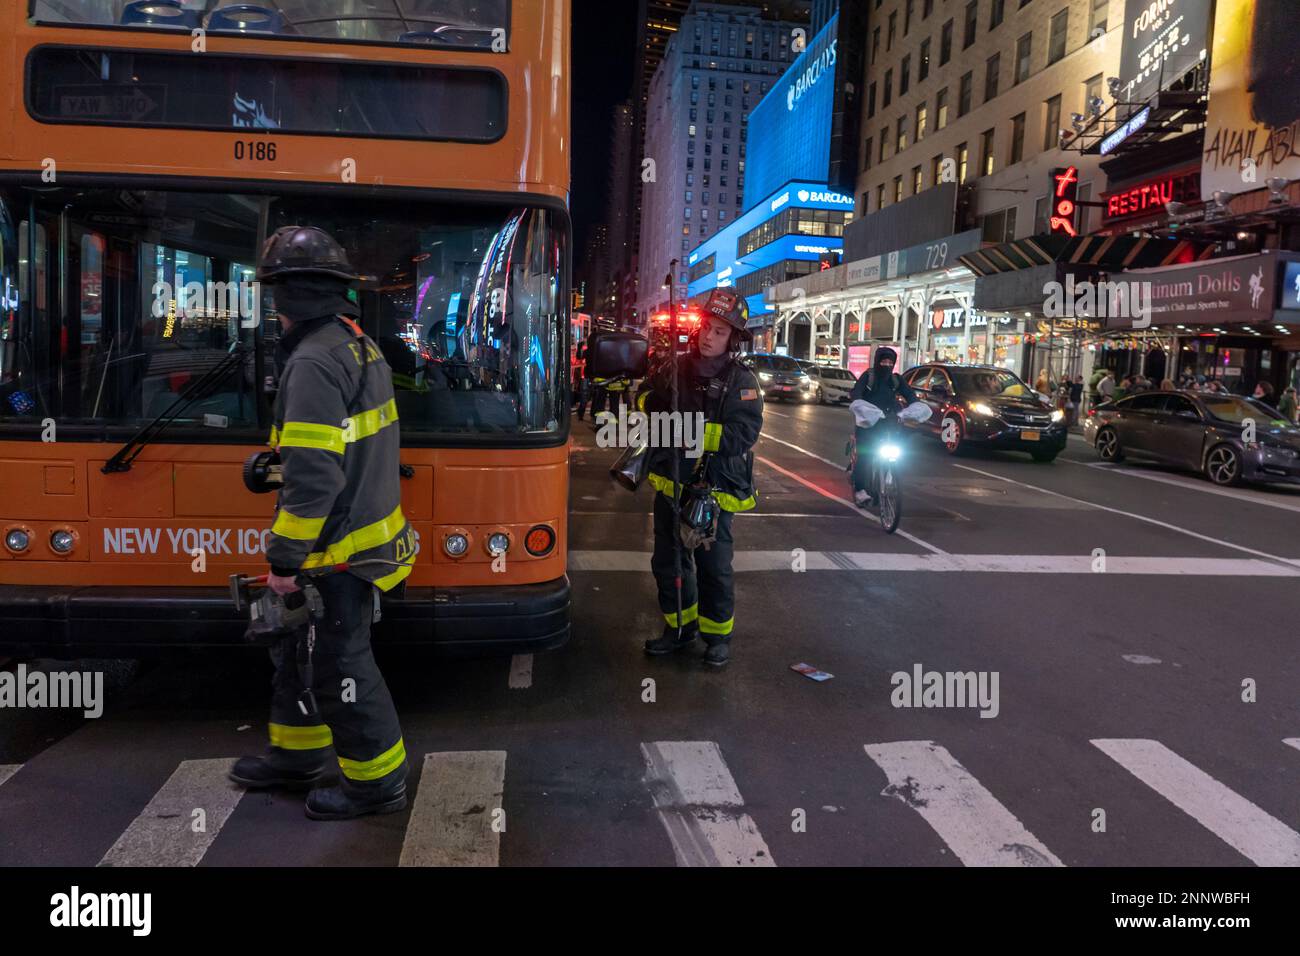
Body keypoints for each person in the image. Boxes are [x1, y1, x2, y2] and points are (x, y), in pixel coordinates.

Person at [229, 225, 416, 821]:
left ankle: (377, 785)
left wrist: (283, 562)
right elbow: (332, 454)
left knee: (340, 665)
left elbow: (315, 480)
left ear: (285, 297)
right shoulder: (353, 343)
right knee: (299, 654)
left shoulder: (312, 361)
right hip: (356, 542)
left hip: (336, 553)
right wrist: (276, 470)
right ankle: (295, 756)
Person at [637, 288, 762, 667]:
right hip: (673, 483)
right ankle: (679, 629)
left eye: (720, 332)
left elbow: (742, 436)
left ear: (734, 339)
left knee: (714, 567)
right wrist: (657, 404)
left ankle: (717, 637)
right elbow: (642, 401)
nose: (709, 337)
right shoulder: (673, 366)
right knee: (670, 564)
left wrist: (688, 430)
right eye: (707, 327)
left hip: (715, 491)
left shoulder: (742, 381)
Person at [848, 346, 919, 507]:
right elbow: (857, 393)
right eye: (883, 361)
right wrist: (859, 405)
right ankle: (860, 490)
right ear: (877, 361)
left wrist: (915, 406)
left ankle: (891, 475)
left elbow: (910, 395)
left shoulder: (896, 380)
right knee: (865, 455)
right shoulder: (869, 376)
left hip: (890, 422)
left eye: (890, 362)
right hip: (868, 422)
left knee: (900, 450)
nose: (886, 365)